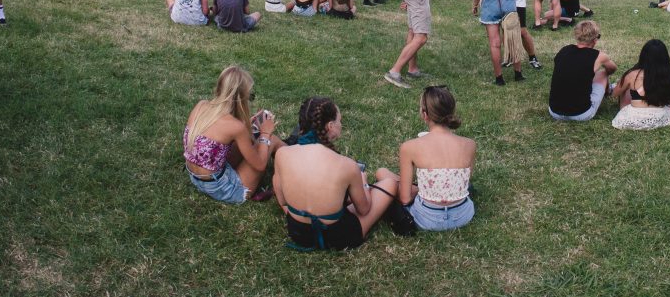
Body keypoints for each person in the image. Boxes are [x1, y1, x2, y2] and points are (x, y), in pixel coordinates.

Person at [273, 97, 398, 250]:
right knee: (389, 184)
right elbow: (364, 209)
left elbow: (282, 200)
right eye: (340, 120)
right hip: (337, 237)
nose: (341, 124)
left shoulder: (282, 154)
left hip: (298, 232)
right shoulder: (346, 164)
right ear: (330, 126)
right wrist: (363, 182)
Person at [183, 66, 283, 203]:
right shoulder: (236, 127)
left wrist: (247, 124)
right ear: (241, 98)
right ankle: (297, 163)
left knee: (248, 139)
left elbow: (222, 129)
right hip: (223, 189)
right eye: (250, 96)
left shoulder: (201, 105)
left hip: (197, 179)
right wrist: (265, 134)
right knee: (273, 141)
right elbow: (259, 165)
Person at [395, 86, 477, 231]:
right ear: (451, 112)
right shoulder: (470, 144)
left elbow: (405, 199)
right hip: (463, 216)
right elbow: (465, 182)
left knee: (386, 177)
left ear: (424, 114)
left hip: (426, 219)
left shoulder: (409, 147)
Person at [547, 20, 617, 121]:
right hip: (581, 114)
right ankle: (609, 90)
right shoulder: (599, 56)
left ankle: (607, 89)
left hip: (554, 111)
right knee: (603, 73)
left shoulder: (564, 50)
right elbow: (612, 68)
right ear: (595, 39)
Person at [611, 40, 670, 130]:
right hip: (658, 118)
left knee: (625, 90)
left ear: (643, 56)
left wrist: (621, 84)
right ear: (665, 57)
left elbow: (614, 94)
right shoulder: (669, 76)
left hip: (631, 118)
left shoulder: (632, 75)